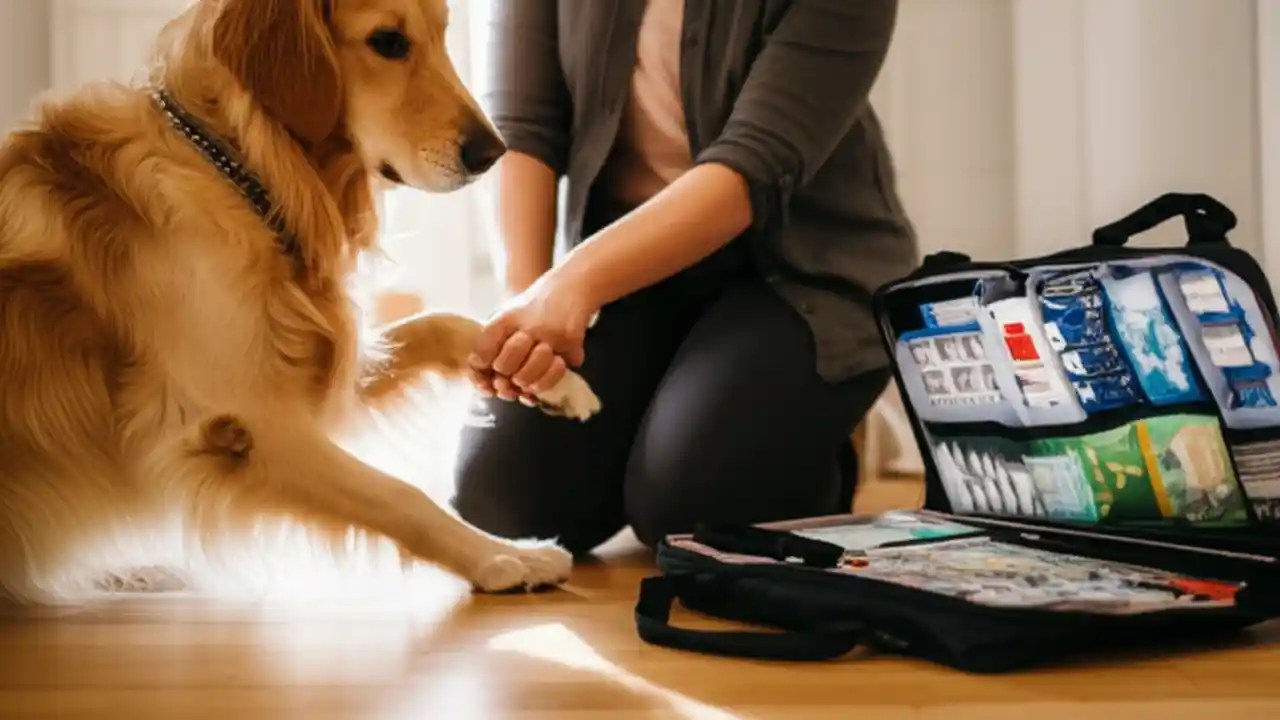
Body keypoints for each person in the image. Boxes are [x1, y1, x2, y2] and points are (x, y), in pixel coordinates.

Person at [453, 0, 918, 554]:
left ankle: (803, 449)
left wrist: (570, 286)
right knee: (502, 500)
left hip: (797, 275)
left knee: (691, 513)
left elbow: (754, 164)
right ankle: (667, 438)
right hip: (627, 276)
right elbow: (523, 131)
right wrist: (530, 315)